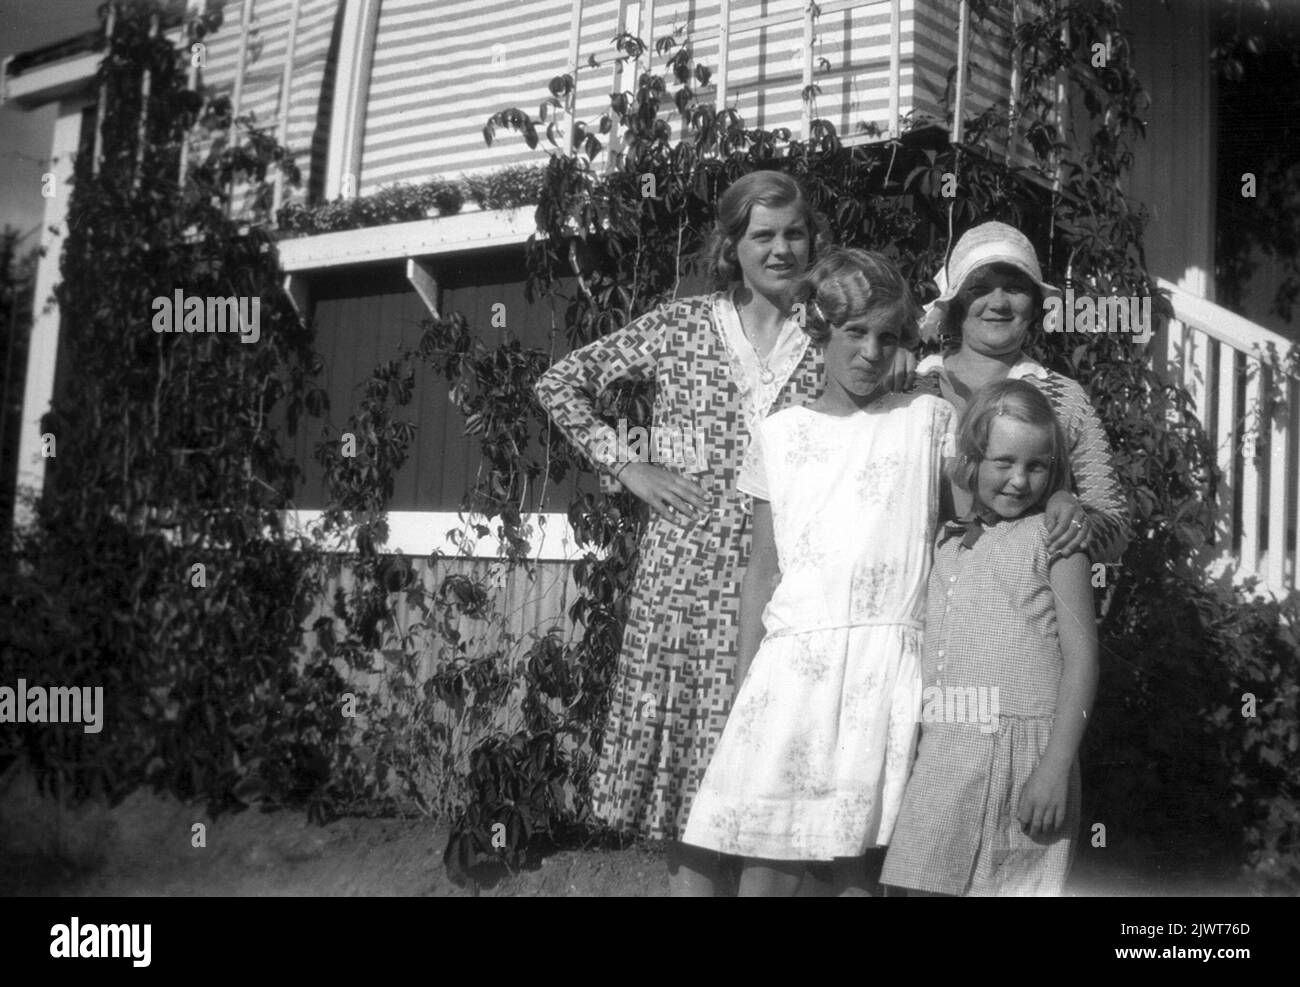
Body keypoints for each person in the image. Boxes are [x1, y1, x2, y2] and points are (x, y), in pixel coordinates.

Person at [536, 172, 912, 896]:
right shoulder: (683, 324)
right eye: (761, 235)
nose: (780, 249)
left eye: (794, 233)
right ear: (731, 244)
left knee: (777, 794)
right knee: (693, 793)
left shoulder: (831, 332)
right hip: (685, 584)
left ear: (814, 239)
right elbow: (561, 383)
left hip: (792, 590)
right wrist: (631, 467)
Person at [681, 247, 956, 896]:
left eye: (888, 337)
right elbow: (762, 573)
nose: (870, 351)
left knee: (858, 861)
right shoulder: (781, 434)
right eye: (855, 332)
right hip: (792, 671)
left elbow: (977, 520)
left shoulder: (926, 422)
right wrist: (743, 688)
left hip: (885, 668)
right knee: (769, 860)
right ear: (819, 330)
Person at [881, 378, 1099, 896]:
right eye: (1004, 462)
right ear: (972, 459)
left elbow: (1084, 661)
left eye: (1037, 466)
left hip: (1025, 755)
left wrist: (1056, 767)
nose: (1020, 481)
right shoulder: (948, 541)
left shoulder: (1058, 540)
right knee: (917, 884)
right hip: (945, 749)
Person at [913, 221, 1129, 563]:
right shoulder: (908, 387)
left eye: (1015, 288)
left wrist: (1067, 520)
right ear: (955, 303)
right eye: (979, 288)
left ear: (1035, 304)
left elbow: (1115, 525)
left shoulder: (1064, 398)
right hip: (912, 606)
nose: (998, 303)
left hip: (1013, 609)